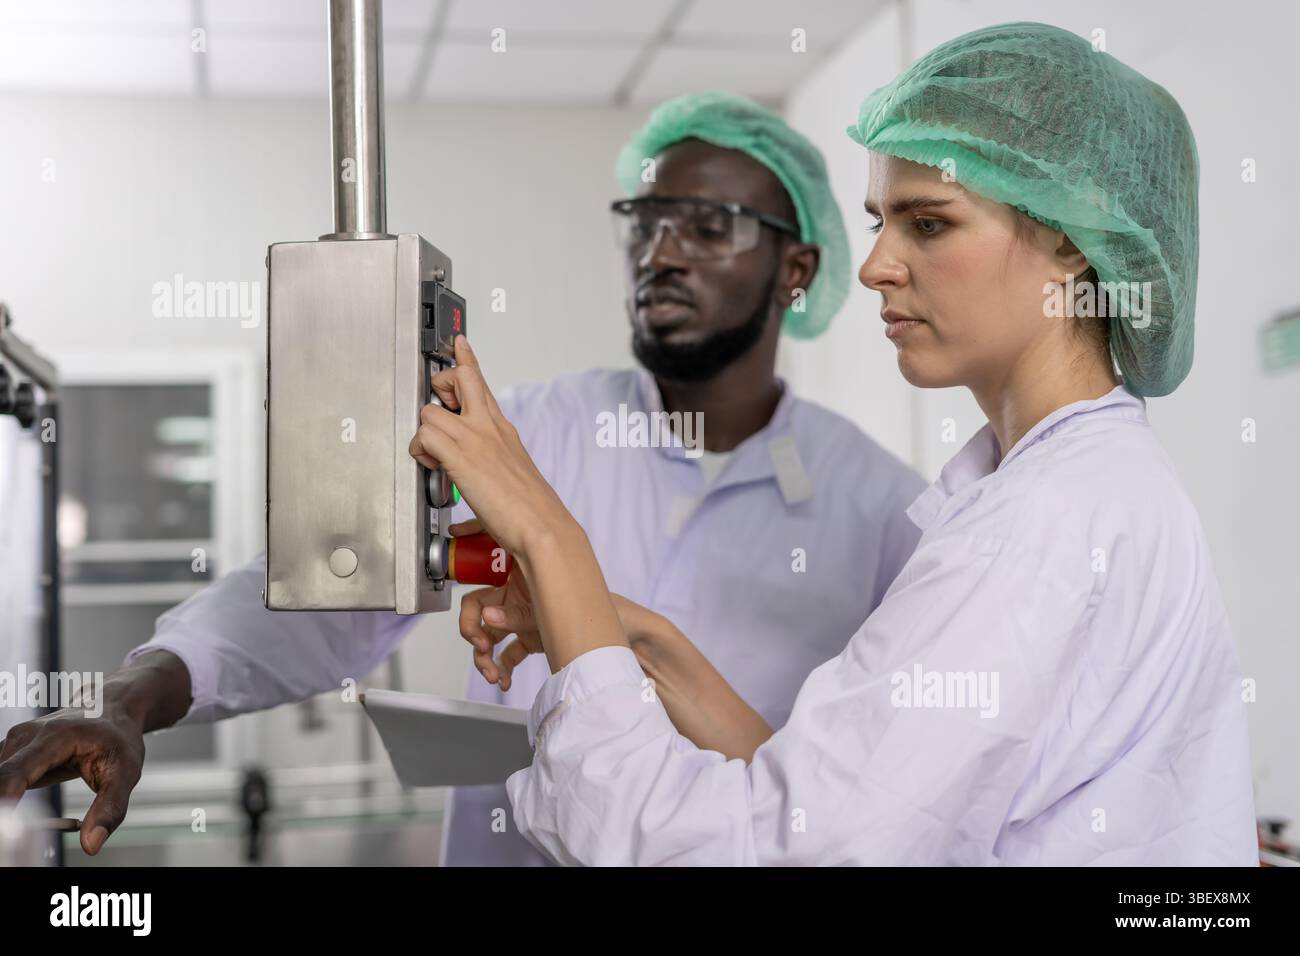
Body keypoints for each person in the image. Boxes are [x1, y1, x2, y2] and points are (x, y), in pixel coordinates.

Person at [0, 94, 924, 865]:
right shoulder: (529, 436)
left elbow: (879, 787)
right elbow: (336, 586)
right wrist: (134, 690)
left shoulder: (881, 513)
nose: (663, 252)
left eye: (709, 226)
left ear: (796, 269)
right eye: (645, 221)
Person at [412, 23, 1257, 865]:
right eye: (879, 221)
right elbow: (828, 806)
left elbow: (752, 850)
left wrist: (546, 537)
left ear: (1070, 239)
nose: (876, 266)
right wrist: (618, 632)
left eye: (928, 224)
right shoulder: (1057, 491)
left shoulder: (1045, 526)